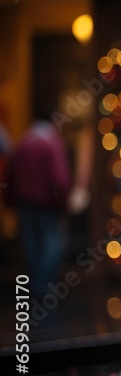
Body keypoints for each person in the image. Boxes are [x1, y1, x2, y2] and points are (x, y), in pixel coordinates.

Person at [4, 119, 72, 290]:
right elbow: (60, 180)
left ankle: (35, 283)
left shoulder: (21, 146)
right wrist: (63, 202)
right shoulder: (51, 145)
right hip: (47, 204)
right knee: (53, 243)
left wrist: (10, 200)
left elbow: (9, 177)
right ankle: (42, 284)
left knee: (31, 245)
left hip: (25, 203)